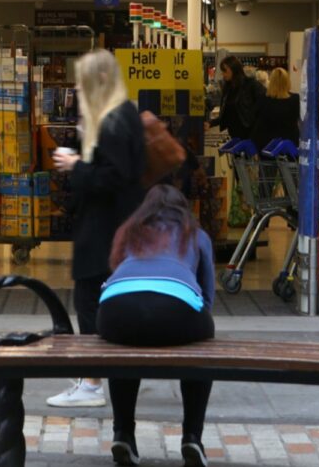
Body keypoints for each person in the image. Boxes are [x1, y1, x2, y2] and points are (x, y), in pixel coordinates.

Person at [48, 50, 147, 408]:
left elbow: (113, 178)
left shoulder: (113, 121)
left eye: (81, 81)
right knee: (99, 301)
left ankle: (91, 382)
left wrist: (76, 164)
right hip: (116, 232)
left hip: (105, 233)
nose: (75, 88)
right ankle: (96, 376)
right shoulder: (120, 116)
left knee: (91, 303)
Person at [98, 185, 215, 467]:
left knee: (123, 349)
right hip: (177, 309)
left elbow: (116, 271)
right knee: (202, 348)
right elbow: (208, 297)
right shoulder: (196, 235)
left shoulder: (130, 233)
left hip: (116, 311)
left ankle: (123, 433)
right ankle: (192, 437)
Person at [212, 54, 264, 143]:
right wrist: (210, 123)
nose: (223, 74)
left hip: (250, 136)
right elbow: (226, 114)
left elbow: (263, 108)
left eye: (225, 71)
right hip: (234, 136)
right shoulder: (228, 88)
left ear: (234, 69)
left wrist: (256, 131)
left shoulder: (251, 85)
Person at [254, 67, 301, 148]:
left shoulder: (263, 99)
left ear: (271, 81)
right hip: (289, 144)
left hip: (268, 145)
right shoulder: (295, 99)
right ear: (287, 81)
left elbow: (259, 125)